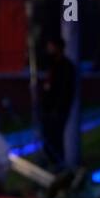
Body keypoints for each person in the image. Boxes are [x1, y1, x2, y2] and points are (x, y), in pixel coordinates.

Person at [40, 35, 76, 170]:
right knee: (48, 138)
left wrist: (58, 108)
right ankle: (50, 165)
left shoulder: (66, 68)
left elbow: (65, 91)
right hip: (47, 109)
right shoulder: (52, 65)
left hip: (57, 110)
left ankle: (58, 166)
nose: (49, 49)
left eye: (51, 46)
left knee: (55, 138)